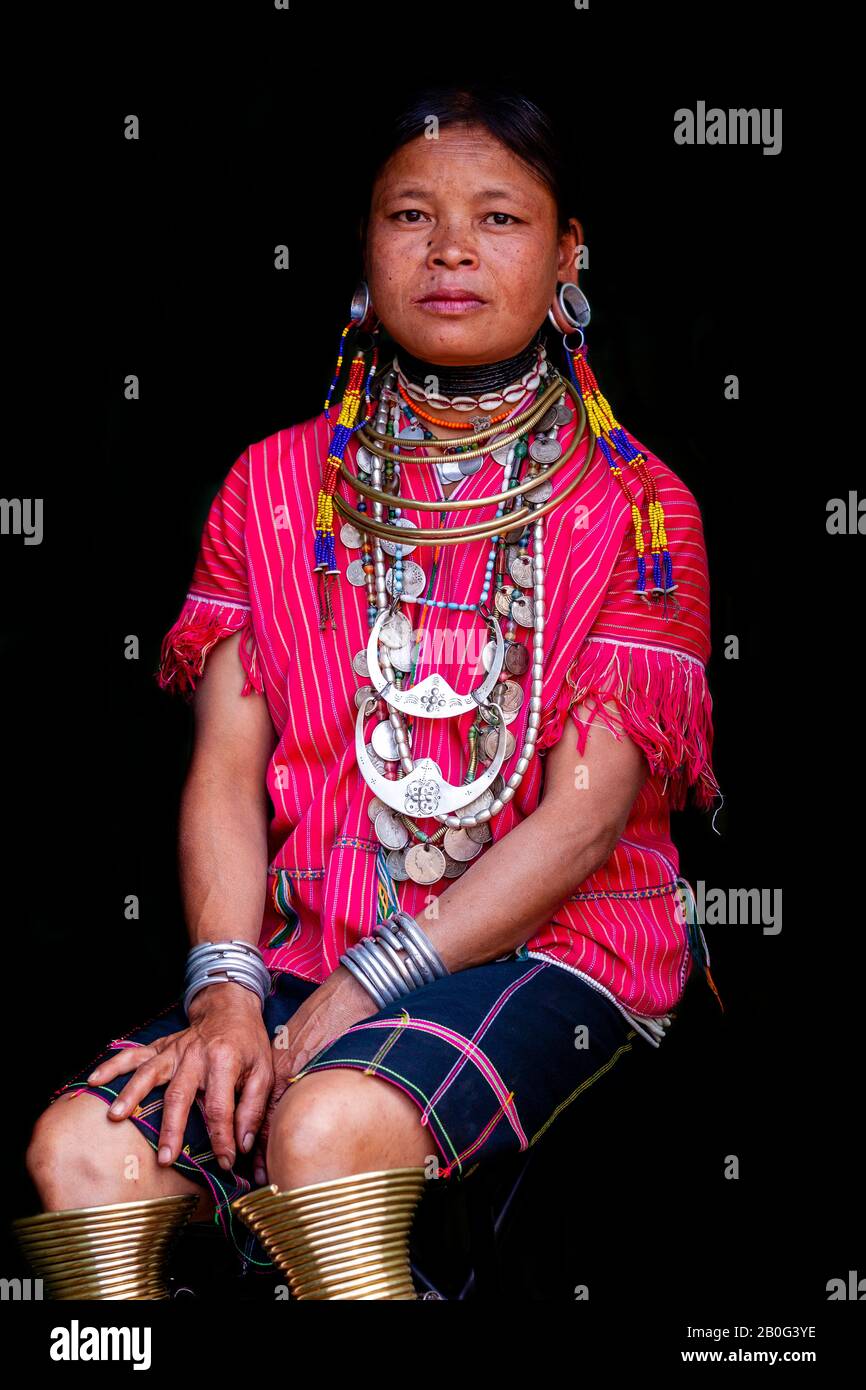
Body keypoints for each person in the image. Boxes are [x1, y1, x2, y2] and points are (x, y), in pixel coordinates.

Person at [24, 83, 723, 1300]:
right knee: (79, 1150)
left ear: (567, 255)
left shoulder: (641, 510)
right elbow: (227, 779)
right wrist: (232, 993)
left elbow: (584, 820)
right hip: (309, 941)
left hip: (561, 945)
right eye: (410, 215)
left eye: (497, 218)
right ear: (364, 246)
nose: (449, 248)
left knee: (325, 1132)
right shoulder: (272, 483)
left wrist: (348, 1000)